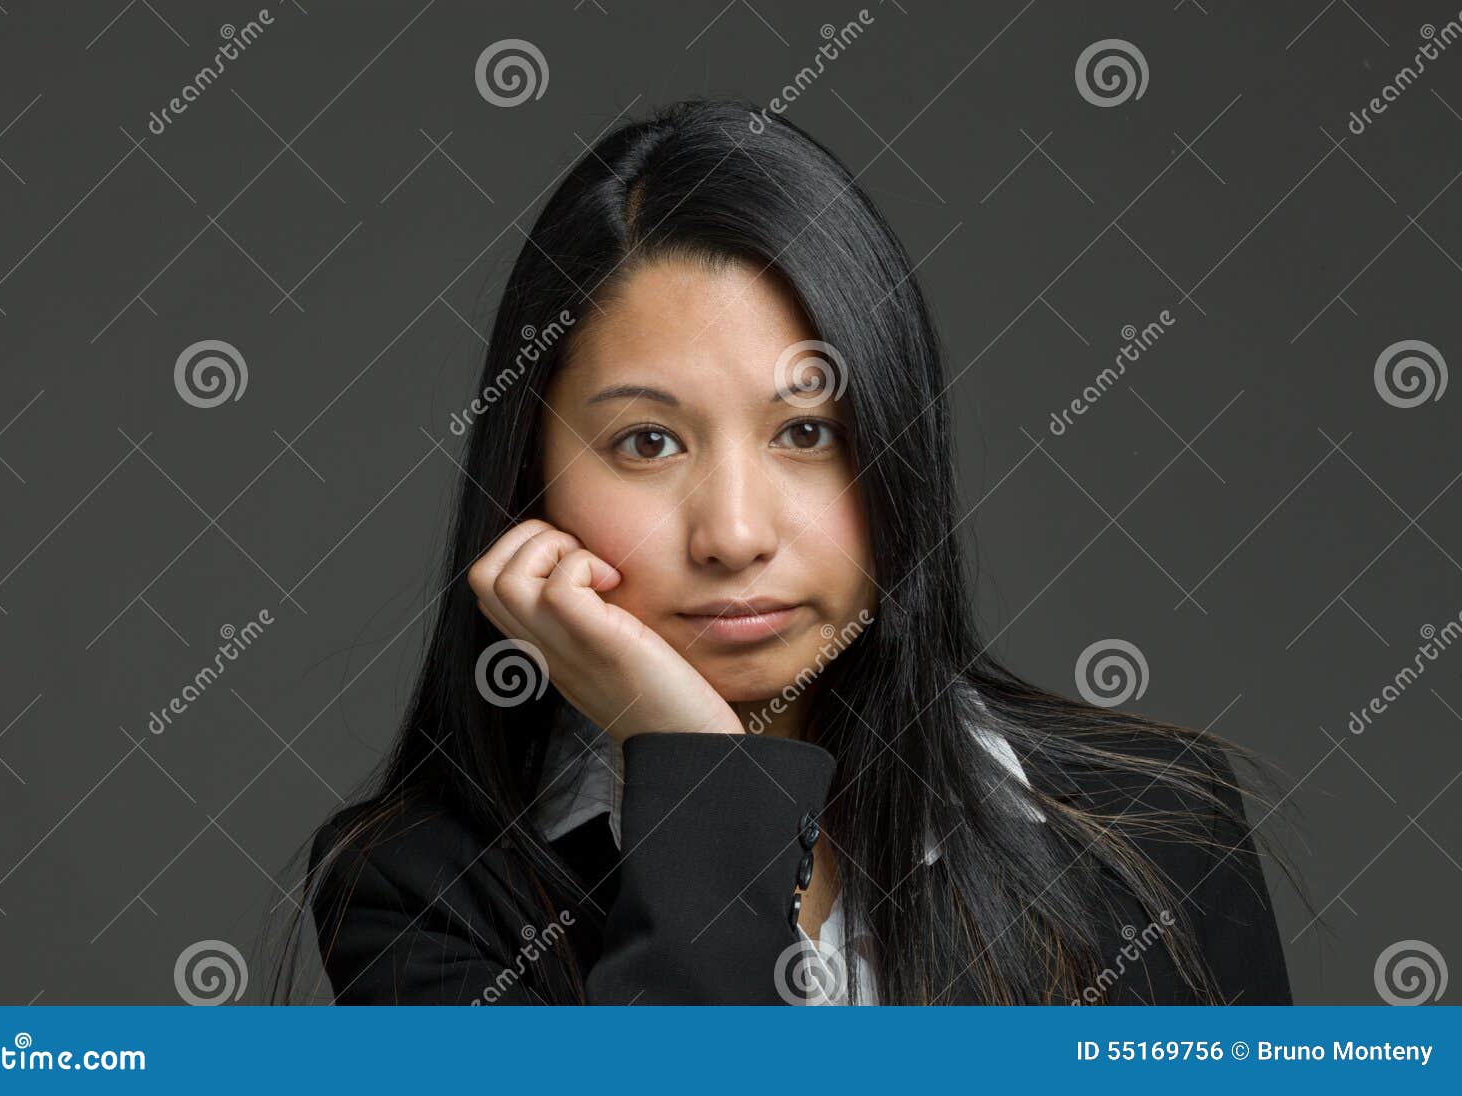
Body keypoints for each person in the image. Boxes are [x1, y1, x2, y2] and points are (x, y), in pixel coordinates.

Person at [275, 97, 1307, 1006]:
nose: (732, 534)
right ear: (531, 478)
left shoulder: (1151, 829)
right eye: (647, 441)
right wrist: (695, 770)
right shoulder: (424, 894)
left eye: (805, 432)